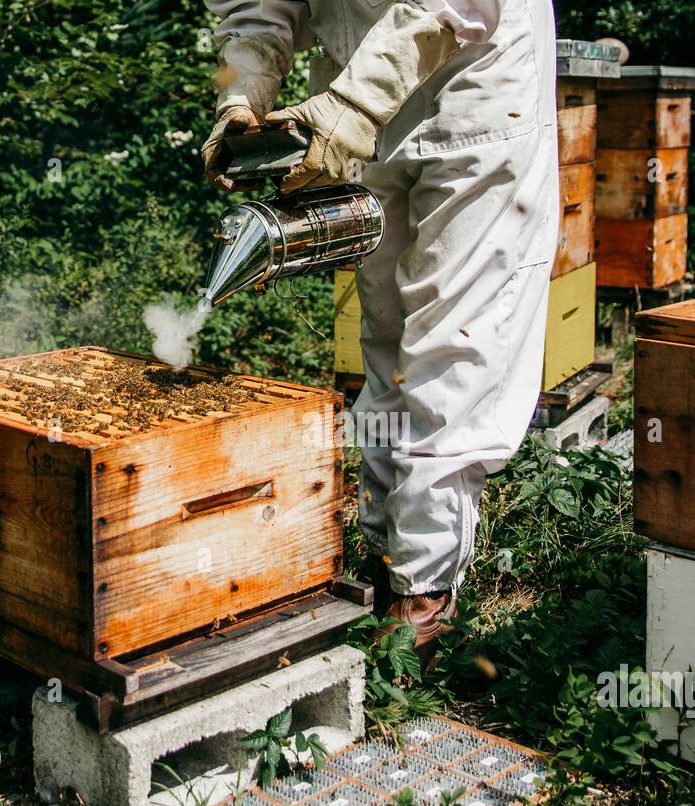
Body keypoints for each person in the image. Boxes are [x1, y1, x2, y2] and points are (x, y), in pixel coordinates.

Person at [202, 0, 558, 667]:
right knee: (386, 337)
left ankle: (423, 599)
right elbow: (255, 4)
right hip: (354, 95)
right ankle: (382, 553)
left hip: (477, 89)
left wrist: (356, 104)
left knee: (451, 346)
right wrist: (246, 86)